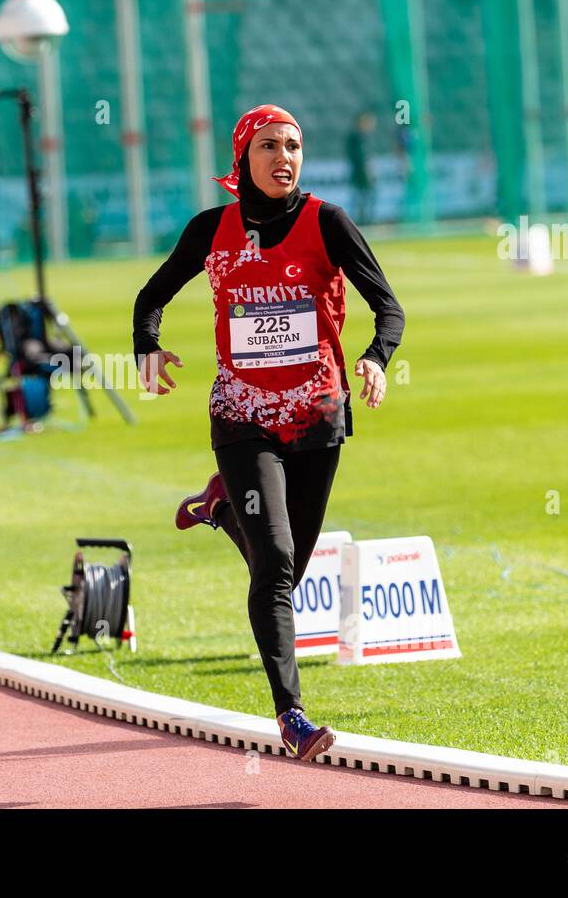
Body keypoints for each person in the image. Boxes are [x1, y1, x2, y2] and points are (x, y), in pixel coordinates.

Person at [132, 104, 405, 761]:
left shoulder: (327, 223)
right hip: (241, 418)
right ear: (242, 158)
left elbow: (387, 305)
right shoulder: (212, 229)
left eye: (294, 146)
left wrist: (374, 359)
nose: (284, 157)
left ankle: (223, 508)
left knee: (285, 570)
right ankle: (293, 716)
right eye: (269, 146)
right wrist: (147, 346)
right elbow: (152, 296)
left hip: (317, 418)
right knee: (277, 567)